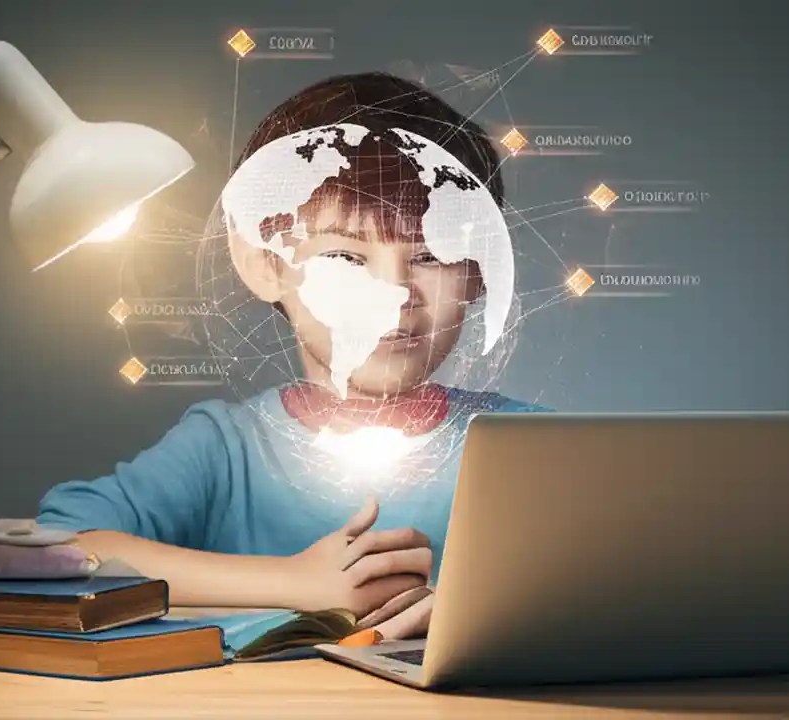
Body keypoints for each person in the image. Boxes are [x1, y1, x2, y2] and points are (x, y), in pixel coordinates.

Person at [35, 72, 545, 639]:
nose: (395, 293)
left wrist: (478, 606)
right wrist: (297, 583)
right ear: (267, 265)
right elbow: (62, 548)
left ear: (479, 272)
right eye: (347, 259)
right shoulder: (227, 447)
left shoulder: (532, 450)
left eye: (431, 254)